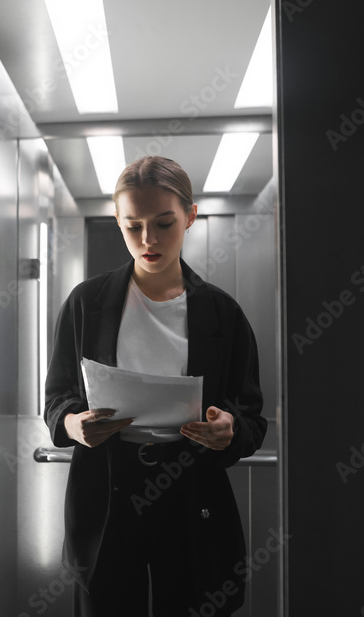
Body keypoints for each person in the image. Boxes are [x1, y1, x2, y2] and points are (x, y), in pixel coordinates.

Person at [44, 156, 268, 616]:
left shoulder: (223, 314)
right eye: (133, 226)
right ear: (118, 223)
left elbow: (251, 417)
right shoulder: (87, 303)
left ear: (190, 216)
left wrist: (229, 428)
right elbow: (56, 396)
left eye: (164, 223)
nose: (148, 240)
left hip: (189, 487)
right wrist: (71, 423)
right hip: (108, 484)